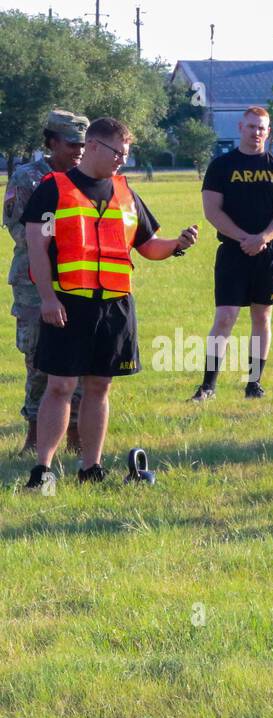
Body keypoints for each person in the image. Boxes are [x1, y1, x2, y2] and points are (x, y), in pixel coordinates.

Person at [21, 117, 198, 489]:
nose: (122, 161)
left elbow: (148, 246)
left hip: (115, 305)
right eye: (119, 153)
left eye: (127, 155)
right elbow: (37, 248)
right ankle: (43, 469)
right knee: (60, 386)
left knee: (100, 386)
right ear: (96, 146)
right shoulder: (54, 189)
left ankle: (91, 466)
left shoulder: (125, 192)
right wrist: (48, 299)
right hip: (69, 303)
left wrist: (178, 244)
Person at [191, 105, 273, 402]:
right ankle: (208, 386)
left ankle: (254, 383)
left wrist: (262, 238)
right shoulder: (221, 167)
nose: (256, 132)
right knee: (225, 317)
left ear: (268, 131)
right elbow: (212, 210)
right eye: (251, 126)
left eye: (262, 127)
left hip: (270, 251)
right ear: (240, 128)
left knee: (262, 317)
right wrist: (243, 238)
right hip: (233, 251)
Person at [5, 109, 88, 456]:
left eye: (84, 144)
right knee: (39, 359)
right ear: (52, 142)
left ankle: (74, 436)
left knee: (81, 359)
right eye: (72, 144)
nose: (79, 151)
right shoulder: (28, 178)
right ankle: (34, 435)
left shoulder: (88, 178)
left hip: (80, 280)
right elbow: (20, 231)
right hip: (33, 282)